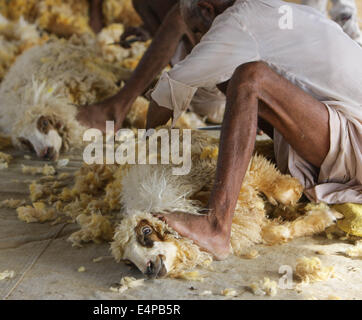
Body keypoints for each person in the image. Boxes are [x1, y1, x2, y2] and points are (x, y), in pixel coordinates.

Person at [144, 0, 362, 259]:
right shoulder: (277, 10)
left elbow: (169, 90)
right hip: (346, 132)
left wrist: (146, 147)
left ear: (206, 9)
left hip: (355, 140)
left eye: (198, 32)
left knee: (251, 77)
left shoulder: (237, 20)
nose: (200, 39)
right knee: (231, 76)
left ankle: (216, 226)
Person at [76, 0, 227, 132]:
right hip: (198, 87)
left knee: (181, 13)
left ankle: (115, 110)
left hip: (222, 98)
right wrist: (148, 30)